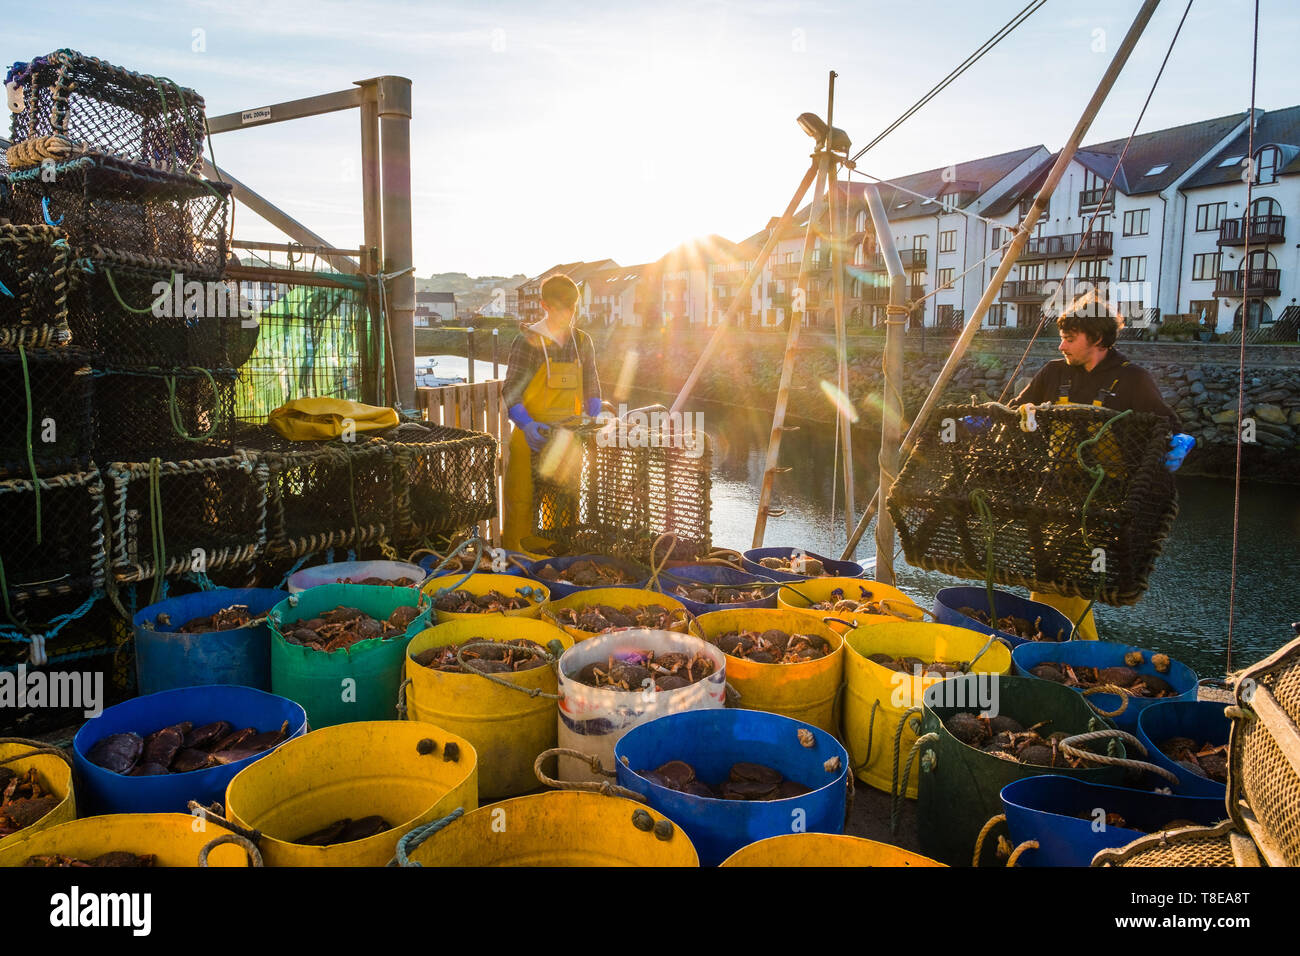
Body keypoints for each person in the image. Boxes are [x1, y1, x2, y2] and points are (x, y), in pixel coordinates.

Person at [1011, 308, 1193, 639]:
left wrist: (1179, 444)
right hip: (1054, 494)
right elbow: (1012, 414)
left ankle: (1061, 649)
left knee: (1064, 576)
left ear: (1097, 339)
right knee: (1056, 578)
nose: (1061, 347)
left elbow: (1166, 424)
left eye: (1068, 339)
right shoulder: (1053, 374)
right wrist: (979, 422)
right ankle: (1067, 651)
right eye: (1061, 339)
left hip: (1105, 501)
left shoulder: (1132, 379)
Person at [501, 274, 602, 552]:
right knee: (523, 505)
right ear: (545, 305)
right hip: (530, 438)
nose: (568, 315)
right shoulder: (528, 341)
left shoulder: (582, 341)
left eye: (572, 308)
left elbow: (592, 388)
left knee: (563, 508)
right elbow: (511, 392)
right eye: (561, 308)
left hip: (567, 443)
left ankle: (557, 565)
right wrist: (527, 424)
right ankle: (517, 565)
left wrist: (592, 420)